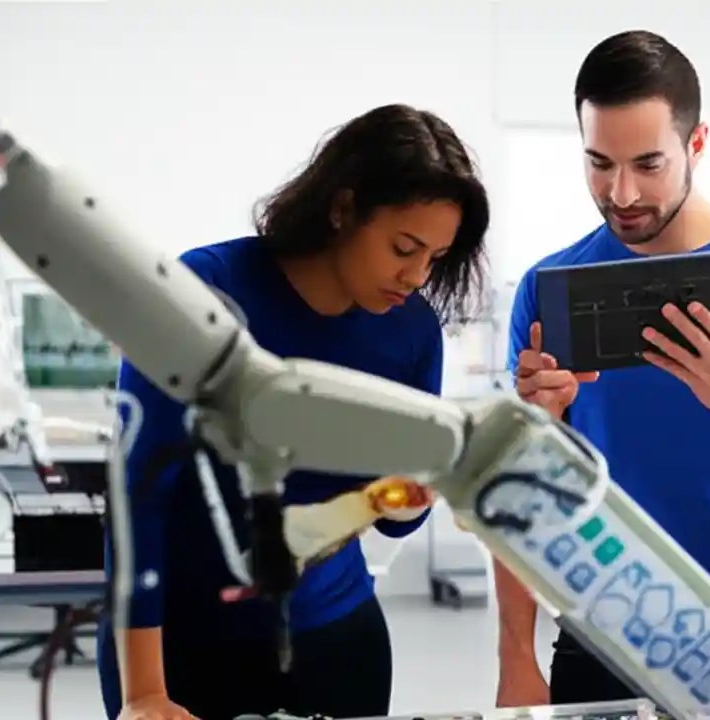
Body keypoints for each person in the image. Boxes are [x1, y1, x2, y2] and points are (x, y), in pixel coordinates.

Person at [96, 103, 491, 720]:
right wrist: (143, 691)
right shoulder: (204, 290)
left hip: (337, 640)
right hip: (181, 645)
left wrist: (421, 488)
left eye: (435, 258)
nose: (417, 276)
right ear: (343, 208)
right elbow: (136, 497)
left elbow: (395, 525)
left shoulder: (411, 331)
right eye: (404, 247)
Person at [497, 30, 710, 707]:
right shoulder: (548, 290)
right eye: (599, 164)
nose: (622, 193)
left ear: (697, 143)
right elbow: (516, 494)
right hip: (598, 637)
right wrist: (515, 657)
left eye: (648, 164)